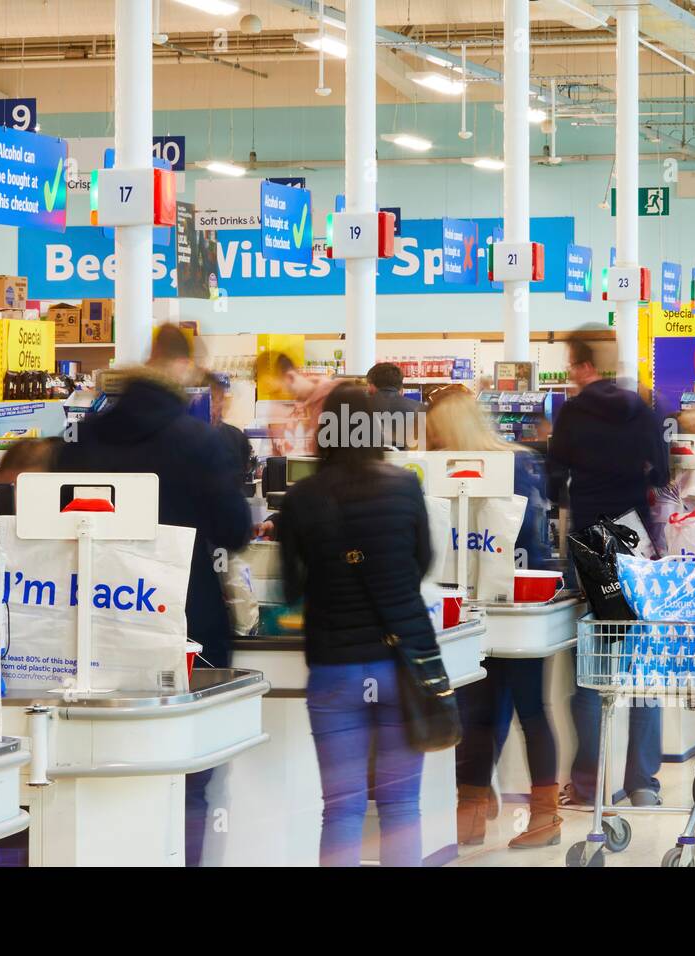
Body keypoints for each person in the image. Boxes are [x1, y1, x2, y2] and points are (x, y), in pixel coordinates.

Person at [54, 361, 252, 868]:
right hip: (185, 620)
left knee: (97, 771)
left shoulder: (78, 441)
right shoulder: (199, 441)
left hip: (91, 617)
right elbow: (234, 530)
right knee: (185, 766)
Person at [276, 384, 438, 866]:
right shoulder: (405, 484)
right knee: (401, 805)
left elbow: (289, 586)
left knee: (342, 808)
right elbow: (422, 562)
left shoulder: (302, 497)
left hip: (334, 667)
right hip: (400, 665)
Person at [426, 390, 560, 848]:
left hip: (487, 604)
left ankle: (521, 817)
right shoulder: (519, 464)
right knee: (503, 711)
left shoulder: (499, 467)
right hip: (516, 603)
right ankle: (486, 812)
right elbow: (536, 542)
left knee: (493, 710)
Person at [548, 333, 670, 809]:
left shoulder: (573, 413)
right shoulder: (641, 409)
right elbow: (660, 472)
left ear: (580, 365)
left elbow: (555, 477)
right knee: (646, 663)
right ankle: (642, 784)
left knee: (592, 668)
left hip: (593, 540)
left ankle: (586, 787)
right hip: (635, 536)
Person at [206, 371, 255, 489]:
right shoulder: (183, 436)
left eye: (219, 399)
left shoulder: (237, 437)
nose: (217, 405)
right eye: (211, 399)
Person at [366, 362, 425, 450]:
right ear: (401, 387)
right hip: (411, 463)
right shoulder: (421, 409)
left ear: (371, 386)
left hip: (368, 461)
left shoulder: (354, 408)